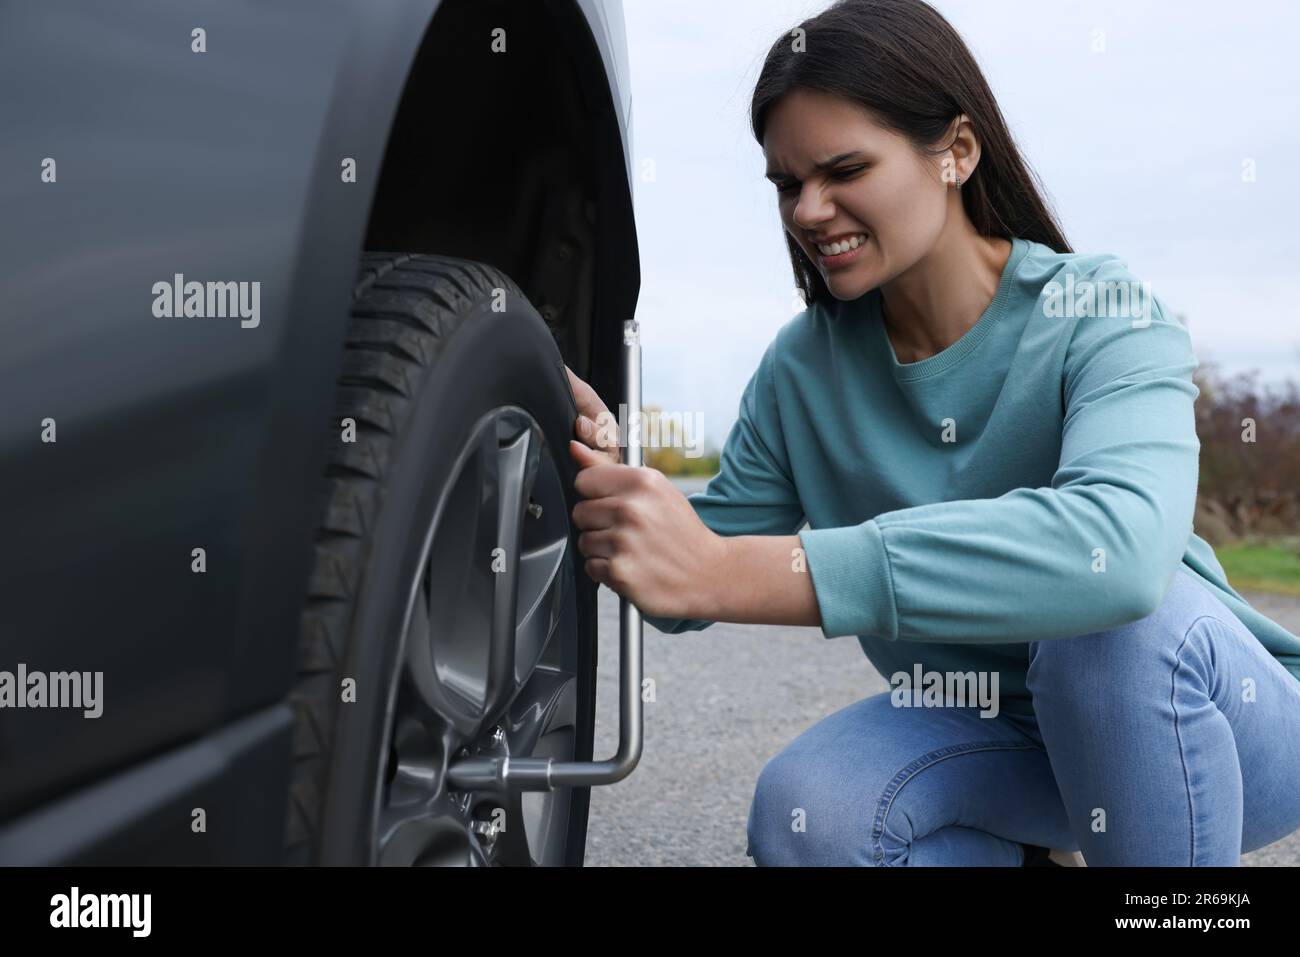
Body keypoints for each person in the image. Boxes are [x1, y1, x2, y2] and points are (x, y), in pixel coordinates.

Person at [563, 0, 1300, 866]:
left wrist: (749, 572)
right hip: (995, 739)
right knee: (814, 814)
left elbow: (1124, 551)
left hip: (1210, 727)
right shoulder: (802, 368)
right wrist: (613, 483)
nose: (808, 209)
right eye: (787, 183)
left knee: (1107, 636)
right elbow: (698, 564)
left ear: (956, 150)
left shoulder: (1101, 311)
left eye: (844, 170)